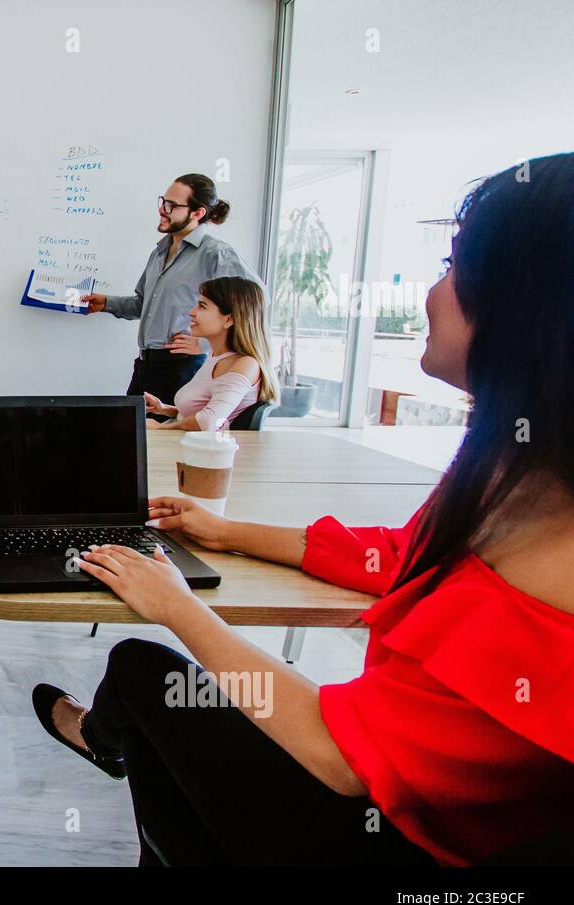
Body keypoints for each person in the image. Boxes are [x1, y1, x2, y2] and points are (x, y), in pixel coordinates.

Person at [33, 153, 574, 865]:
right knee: (168, 723)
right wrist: (224, 531)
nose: (429, 292)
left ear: (527, 300)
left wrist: (179, 606)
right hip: (384, 793)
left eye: (452, 265)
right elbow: (394, 556)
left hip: (394, 839)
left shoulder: (551, 560)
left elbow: (347, 758)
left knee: (142, 669)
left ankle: (107, 747)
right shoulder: (515, 472)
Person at [80, 173, 259, 409]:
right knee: (127, 435)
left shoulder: (215, 254)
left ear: (197, 213)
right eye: (163, 201)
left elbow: (255, 299)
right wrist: (105, 303)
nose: (162, 209)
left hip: (181, 368)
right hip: (145, 366)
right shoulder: (159, 252)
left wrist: (203, 344)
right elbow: (141, 304)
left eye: (172, 205)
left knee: (166, 442)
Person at [144, 276, 278, 430]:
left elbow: (210, 421)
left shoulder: (245, 365)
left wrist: (160, 429)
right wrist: (165, 409)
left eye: (202, 306)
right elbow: (204, 412)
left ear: (229, 319)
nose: (192, 312)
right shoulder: (216, 356)